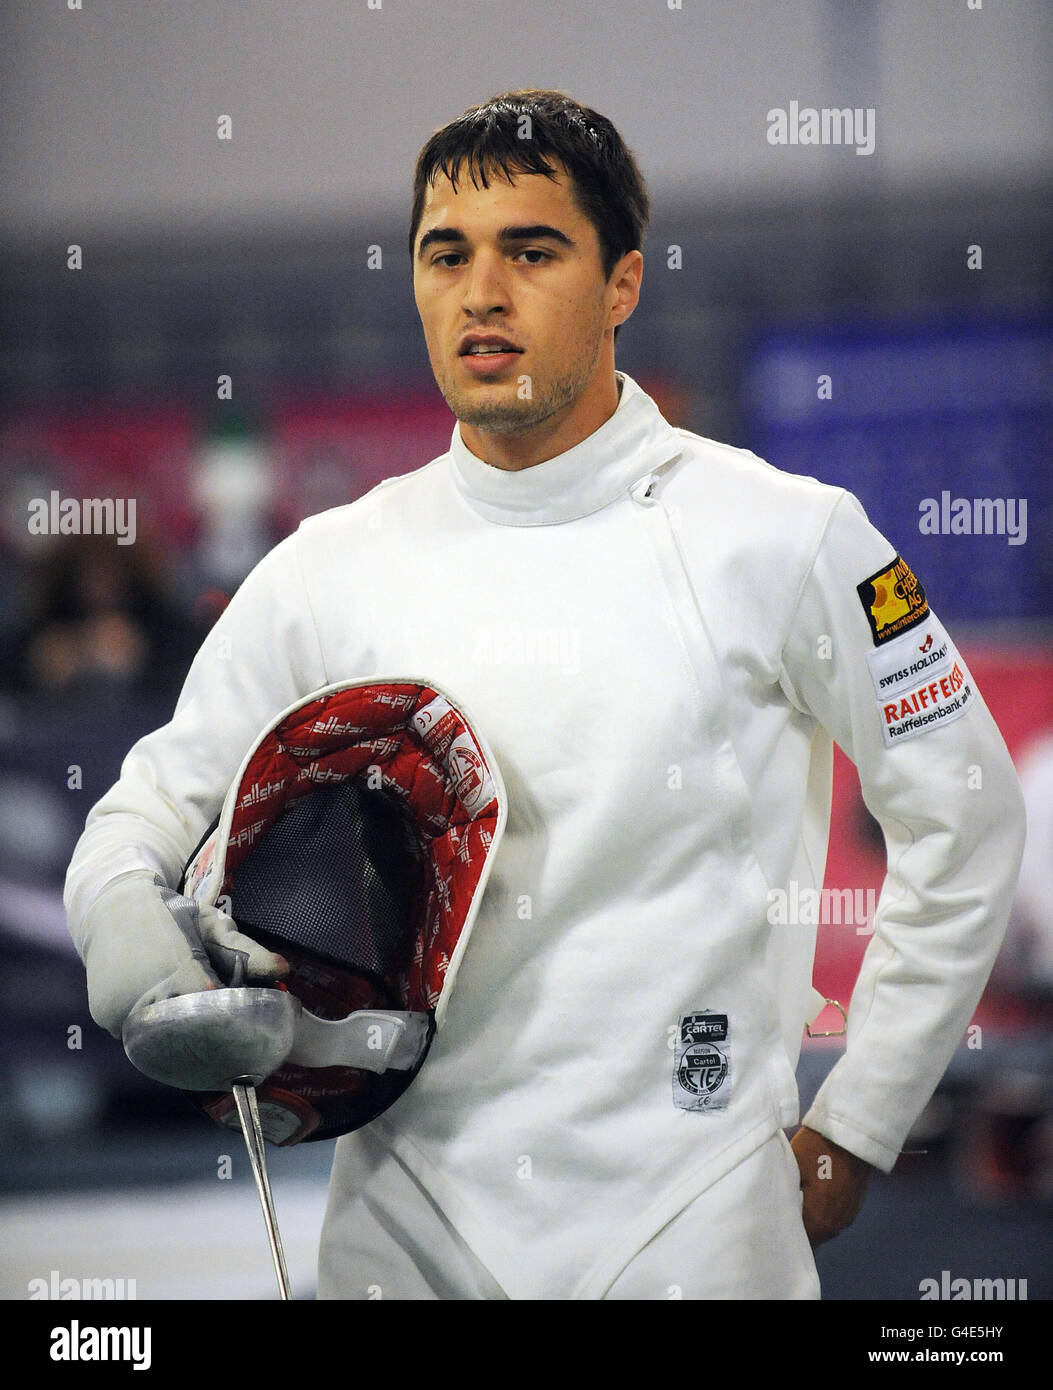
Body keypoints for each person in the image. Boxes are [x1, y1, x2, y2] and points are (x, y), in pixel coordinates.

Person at [64, 88, 1026, 1300]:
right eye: (446, 254)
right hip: (401, 1231)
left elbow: (970, 815)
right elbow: (129, 828)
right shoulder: (326, 569)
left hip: (694, 1223)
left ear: (622, 282)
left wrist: (861, 1120)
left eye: (532, 250)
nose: (483, 293)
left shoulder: (785, 537)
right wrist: (135, 951)